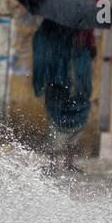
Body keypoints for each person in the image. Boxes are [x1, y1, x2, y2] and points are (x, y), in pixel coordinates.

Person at [32, 19, 95, 173]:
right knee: (56, 115)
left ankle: (64, 161)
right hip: (59, 74)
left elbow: (91, 48)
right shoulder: (55, 22)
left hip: (74, 72)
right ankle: (55, 162)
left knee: (74, 115)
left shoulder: (81, 23)